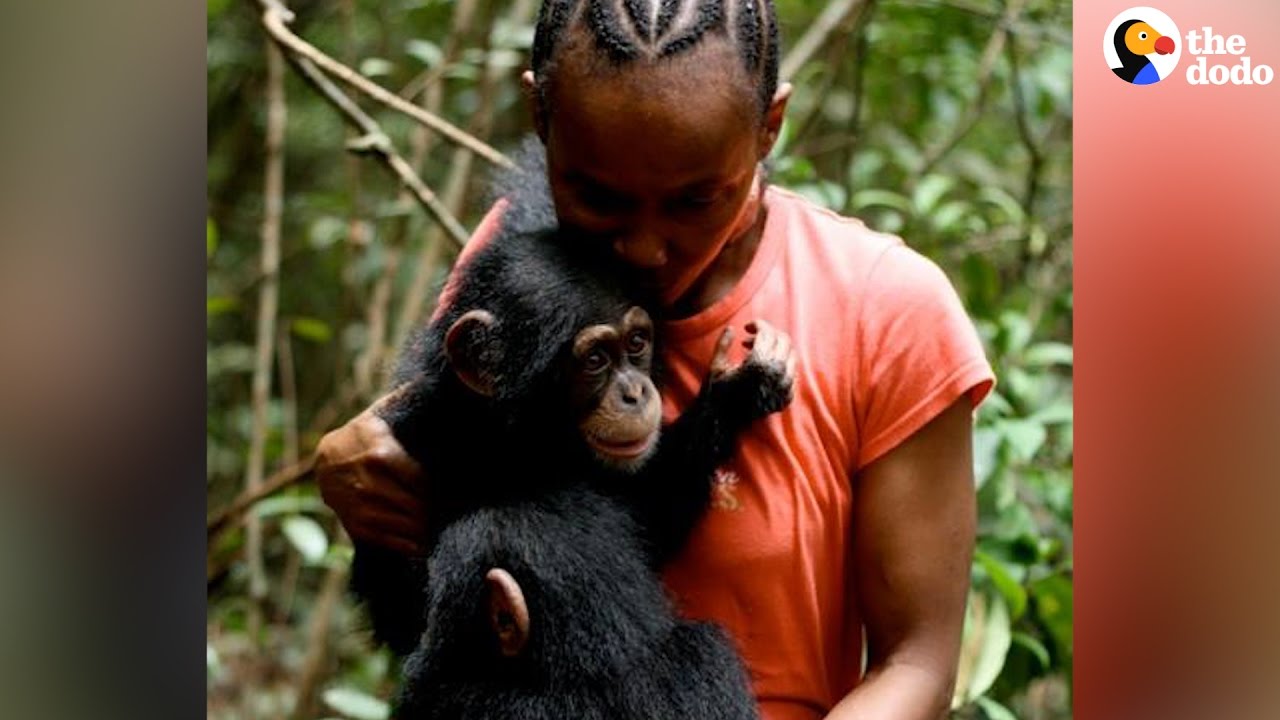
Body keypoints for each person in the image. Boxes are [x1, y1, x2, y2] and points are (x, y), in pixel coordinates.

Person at [317, 2, 995, 719]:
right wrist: (359, 474)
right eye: (597, 196)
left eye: (696, 199)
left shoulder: (884, 309)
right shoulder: (521, 260)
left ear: (771, 126)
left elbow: (918, 662)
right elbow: (433, 577)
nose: (643, 249)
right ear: (540, 118)